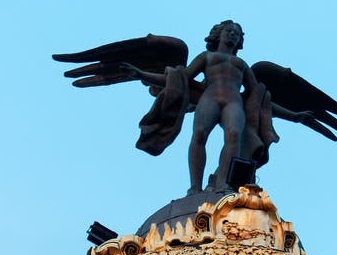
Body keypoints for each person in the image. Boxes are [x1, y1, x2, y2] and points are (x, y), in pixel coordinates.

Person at [122, 21, 308, 193]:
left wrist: (294, 116)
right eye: (229, 31)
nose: (233, 35)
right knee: (200, 134)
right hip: (209, 98)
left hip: (234, 101)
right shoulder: (207, 57)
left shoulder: (241, 64)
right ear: (218, 34)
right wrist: (141, 74)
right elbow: (179, 78)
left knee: (234, 135)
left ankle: (222, 183)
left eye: (237, 33)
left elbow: (258, 99)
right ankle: (195, 187)